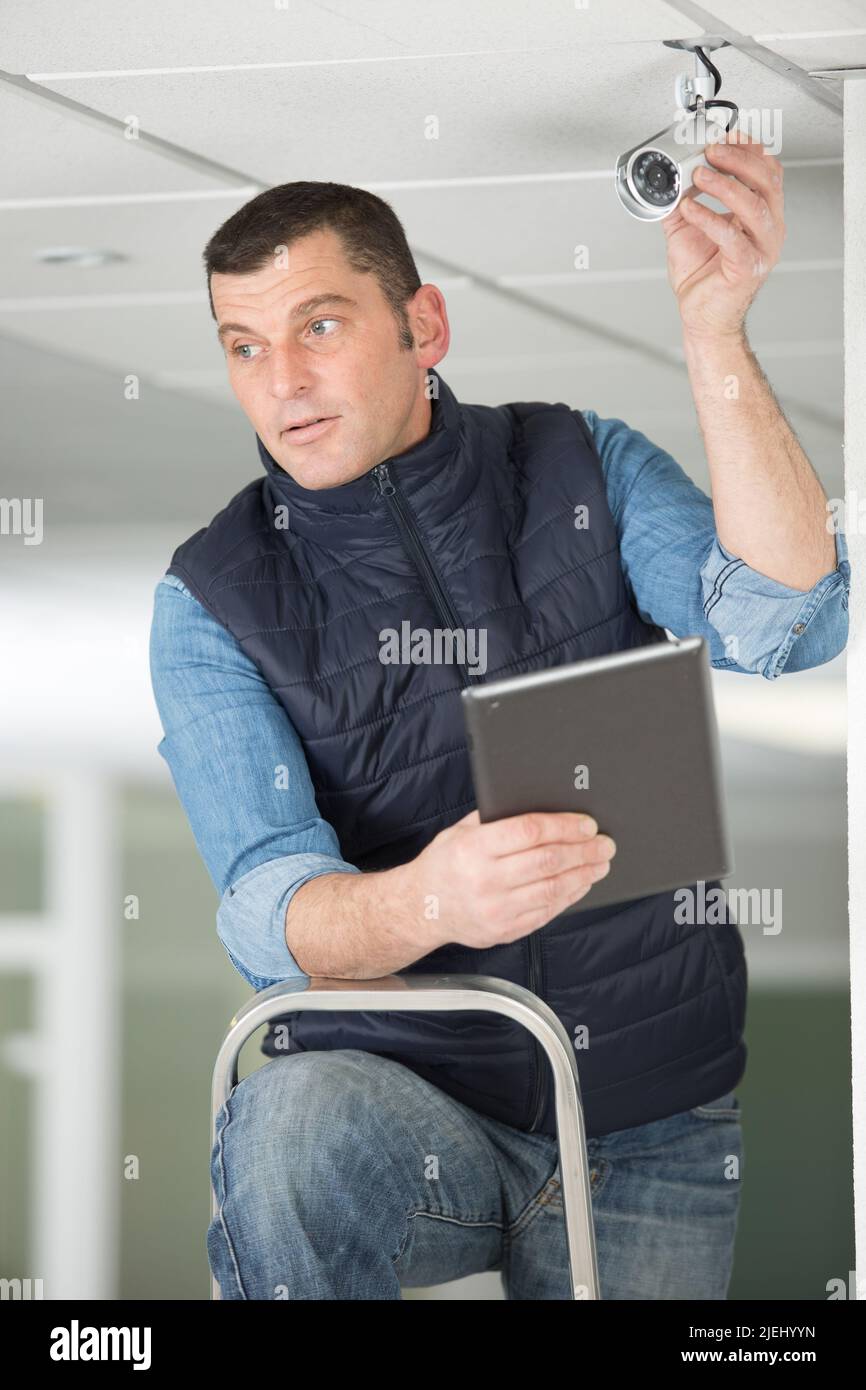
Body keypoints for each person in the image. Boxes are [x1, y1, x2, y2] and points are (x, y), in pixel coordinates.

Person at [149, 135, 849, 1299]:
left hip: (651, 1117)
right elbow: (269, 911)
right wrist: (433, 897)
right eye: (243, 347)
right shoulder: (211, 599)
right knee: (285, 1118)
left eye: (317, 327)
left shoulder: (581, 465)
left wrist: (713, 331)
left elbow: (785, 622)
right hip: (405, 1098)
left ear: (422, 326)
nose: (281, 383)